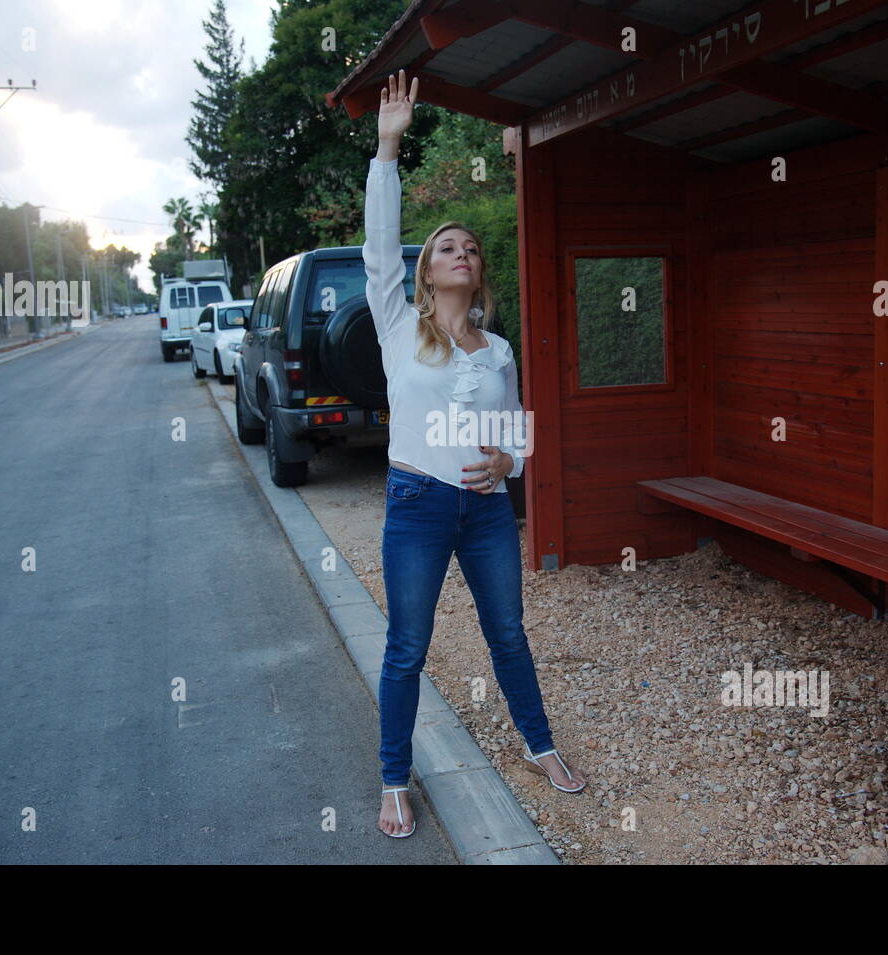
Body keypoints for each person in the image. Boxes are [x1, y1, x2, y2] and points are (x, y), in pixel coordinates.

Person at [366, 69, 587, 839]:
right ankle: (394, 776)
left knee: (509, 634)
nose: (462, 252)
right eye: (447, 246)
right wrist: (389, 147)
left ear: (477, 272)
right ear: (426, 270)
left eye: (471, 248)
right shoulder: (398, 327)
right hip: (418, 504)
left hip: (488, 512)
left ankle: (541, 744)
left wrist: (509, 468)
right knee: (407, 646)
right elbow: (377, 244)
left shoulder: (496, 347)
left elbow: (519, 429)